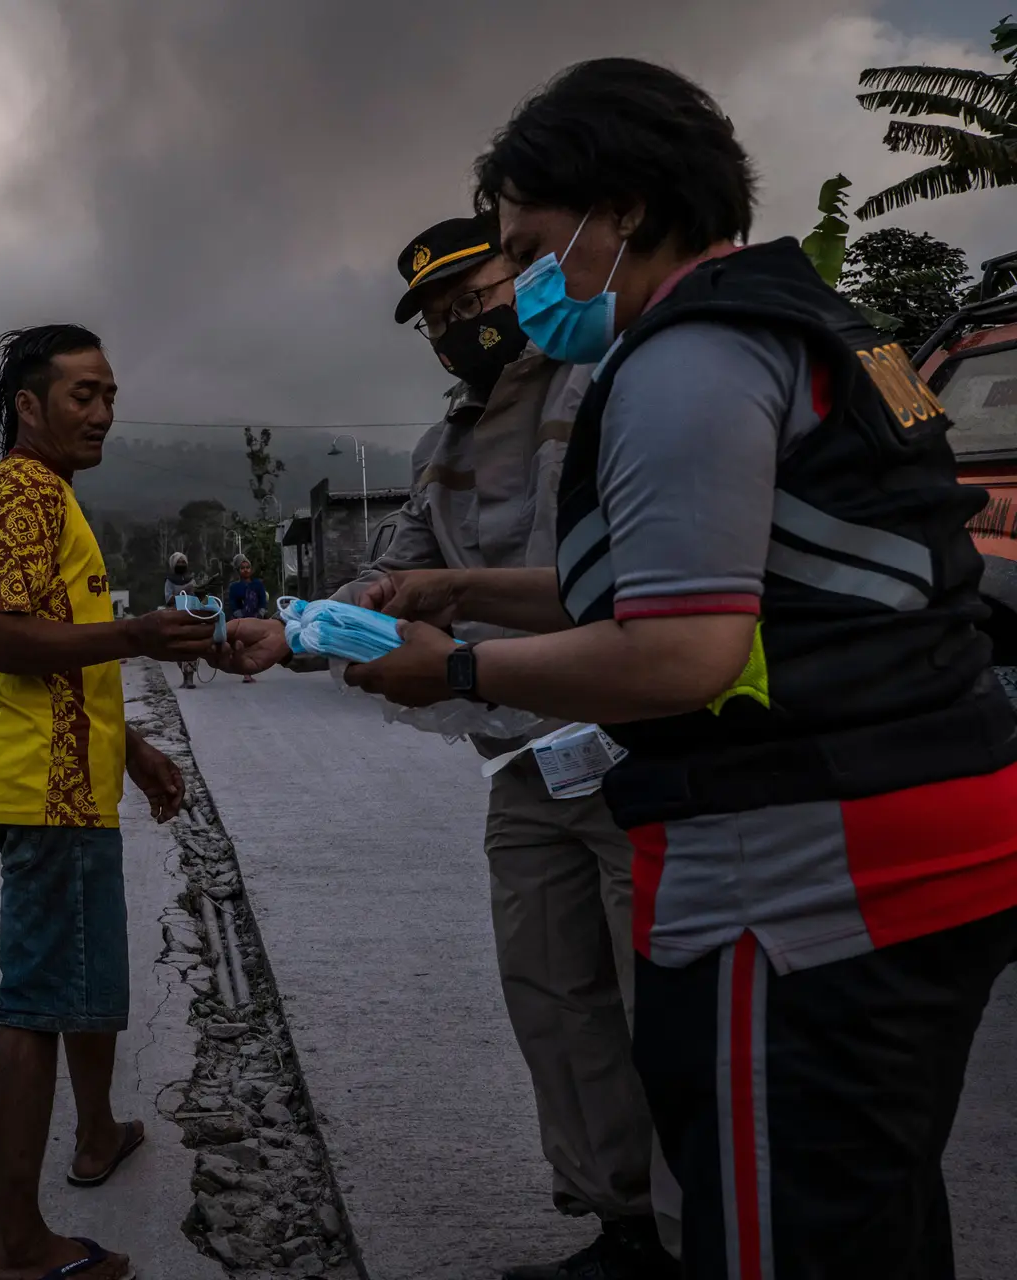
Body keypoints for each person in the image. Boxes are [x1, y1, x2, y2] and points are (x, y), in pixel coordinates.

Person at [241, 58, 1017, 1280]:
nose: (534, 281)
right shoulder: (812, 326)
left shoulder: (681, 360)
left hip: (805, 862)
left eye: (537, 243)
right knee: (867, 1204)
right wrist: (459, 589)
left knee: (775, 1227)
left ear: (628, 214)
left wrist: (457, 672)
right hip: (928, 819)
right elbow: (705, 579)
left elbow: (681, 648)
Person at [352, 212, 677, 1279]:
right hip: (522, 758)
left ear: (530, 278)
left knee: (663, 1002)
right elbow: (392, 578)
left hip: (631, 745)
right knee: (551, 991)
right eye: (439, 317)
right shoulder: (441, 445)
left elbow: (626, 585)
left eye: (473, 296)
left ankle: (696, 1229)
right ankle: (617, 1221)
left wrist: (449, 614)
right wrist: (308, 627)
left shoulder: (601, 389)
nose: (460, 325)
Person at [0, 324, 216, 1280]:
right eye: (83, 395)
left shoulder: (51, 497)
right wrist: (139, 635)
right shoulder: (23, 495)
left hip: (73, 780)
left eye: (111, 394)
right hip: (44, 794)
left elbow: (59, 657)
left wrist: (135, 747)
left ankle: (99, 1131)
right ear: (29, 407)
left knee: (84, 968)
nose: (104, 413)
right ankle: (17, 1243)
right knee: (35, 1006)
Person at [225, 556, 271, 684]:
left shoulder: (258, 584)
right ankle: (246, 673)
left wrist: (260, 614)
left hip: (257, 619)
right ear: (238, 570)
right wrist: (240, 617)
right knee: (242, 646)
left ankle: (251, 669)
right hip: (241, 621)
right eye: (242, 568)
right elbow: (233, 603)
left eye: (247, 567)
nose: (245, 570)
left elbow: (263, 601)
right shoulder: (234, 587)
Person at [164, 551, 200, 689]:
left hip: (190, 616)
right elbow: (168, 598)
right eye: (178, 562)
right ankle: (184, 677)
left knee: (191, 646)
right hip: (175, 616)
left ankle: (190, 677)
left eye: (183, 562)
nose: (181, 565)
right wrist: (182, 592)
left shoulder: (192, 579)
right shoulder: (169, 581)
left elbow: (197, 595)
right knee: (178, 647)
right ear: (173, 564)